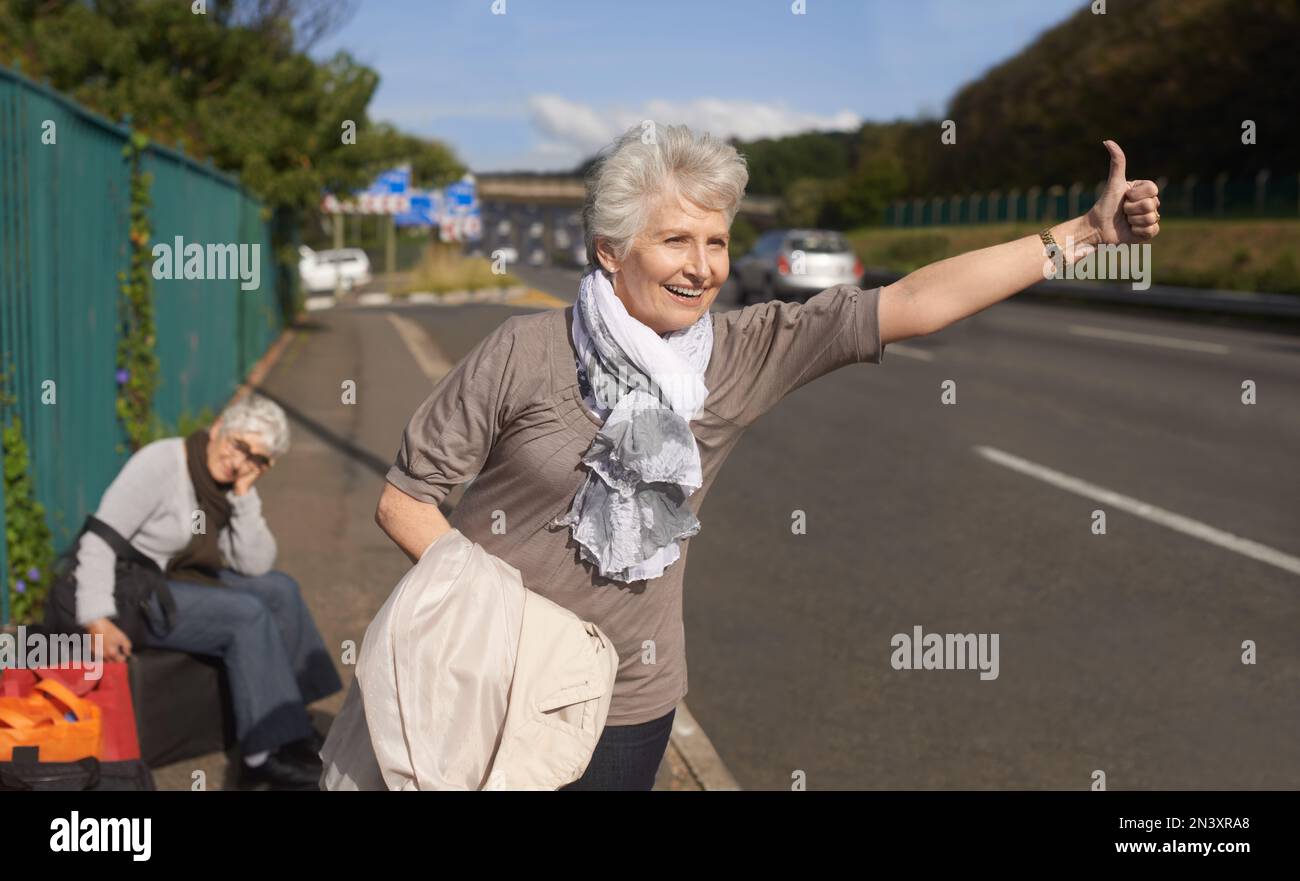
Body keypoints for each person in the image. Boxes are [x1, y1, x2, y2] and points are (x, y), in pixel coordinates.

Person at [376, 124, 1161, 790]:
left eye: (715, 242)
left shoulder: (743, 352)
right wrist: (510, 622)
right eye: (675, 239)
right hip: (487, 669)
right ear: (609, 252)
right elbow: (405, 498)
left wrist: (1087, 236)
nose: (703, 266)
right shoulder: (526, 349)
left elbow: (918, 302)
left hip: (625, 696)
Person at [75, 393, 343, 789]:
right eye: (239, 446)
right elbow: (98, 538)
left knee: (280, 589)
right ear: (219, 427)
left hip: (179, 579)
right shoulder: (162, 463)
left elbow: (254, 564)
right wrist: (96, 617)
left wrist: (244, 495)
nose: (240, 462)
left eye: (257, 460)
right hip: (133, 591)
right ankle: (260, 760)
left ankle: (292, 727)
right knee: (246, 615)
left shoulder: (226, 486)